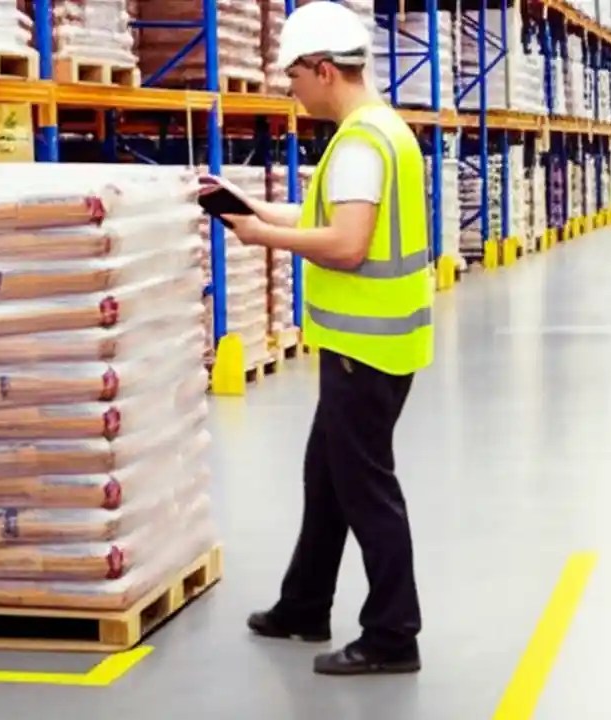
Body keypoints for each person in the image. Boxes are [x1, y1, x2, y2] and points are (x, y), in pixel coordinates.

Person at [199, 0, 434, 676]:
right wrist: (244, 207)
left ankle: (393, 636)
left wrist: (262, 237)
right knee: (326, 477)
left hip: (368, 348)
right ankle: (304, 604)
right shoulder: (382, 130)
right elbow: (323, 214)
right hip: (378, 345)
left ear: (324, 69)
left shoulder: (360, 143)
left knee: (365, 490)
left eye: (293, 74)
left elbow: (347, 244)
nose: (289, 87)